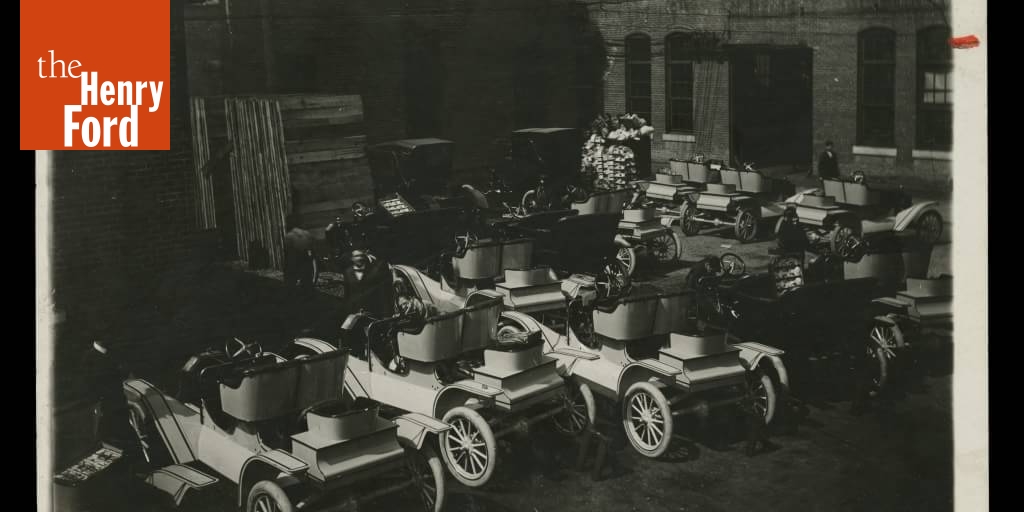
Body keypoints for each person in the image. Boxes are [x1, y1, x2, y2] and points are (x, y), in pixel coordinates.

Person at [283, 214, 316, 292]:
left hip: (295, 262)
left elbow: (288, 254)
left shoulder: (289, 236)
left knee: (290, 284)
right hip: (306, 263)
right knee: (307, 283)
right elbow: (312, 251)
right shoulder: (307, 234)